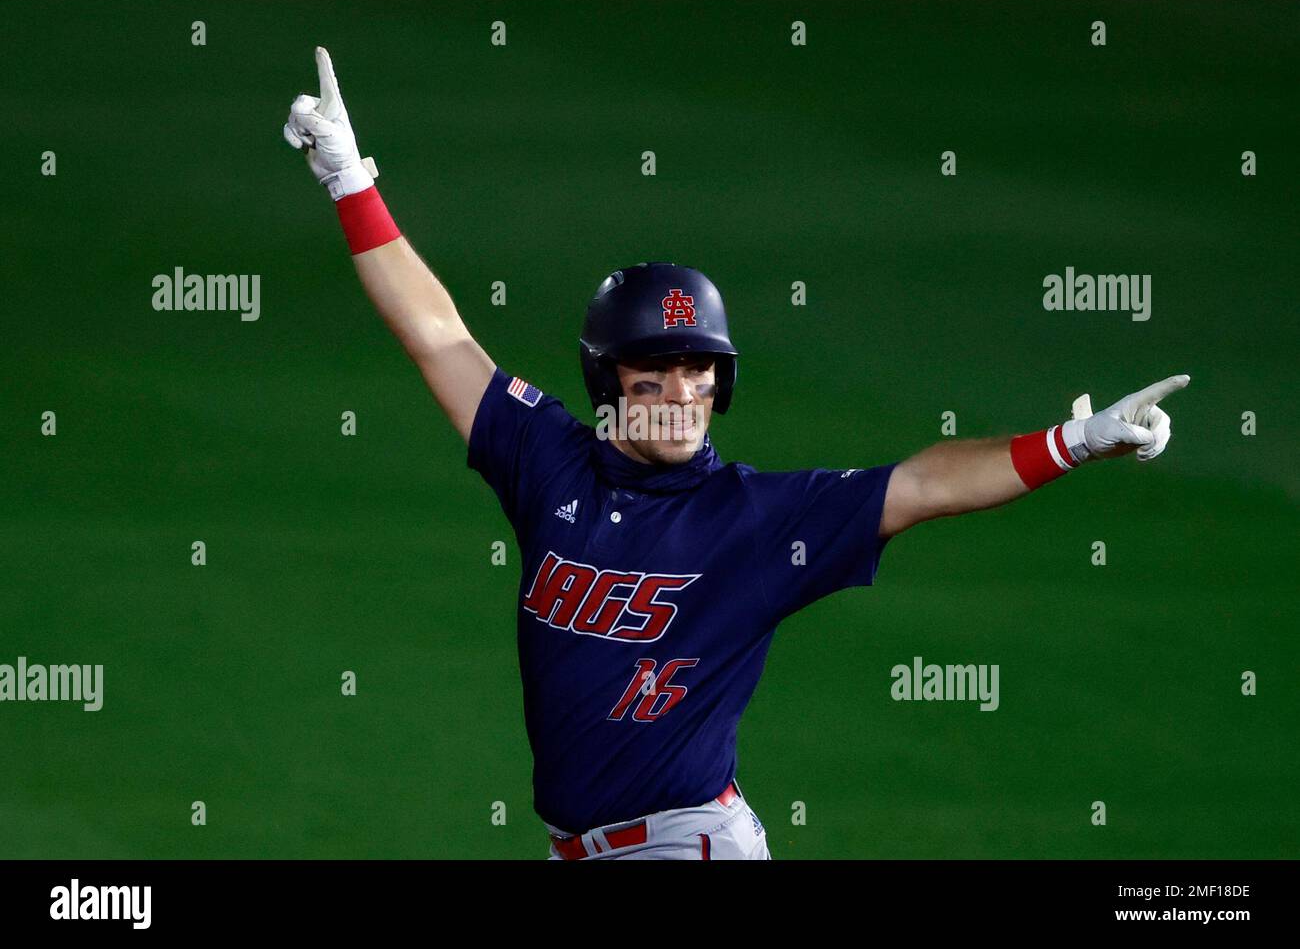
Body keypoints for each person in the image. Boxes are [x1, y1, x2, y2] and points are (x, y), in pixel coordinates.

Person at [283, 48, 1189, 860]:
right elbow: (441, 337)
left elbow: (921, 485)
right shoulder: (546, 459)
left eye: (699, 371)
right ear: (608, 385)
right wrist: (348, 180)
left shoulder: (758, 521)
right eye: (655, 373)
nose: (682, 394)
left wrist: (1073, 442)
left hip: (686, 845)